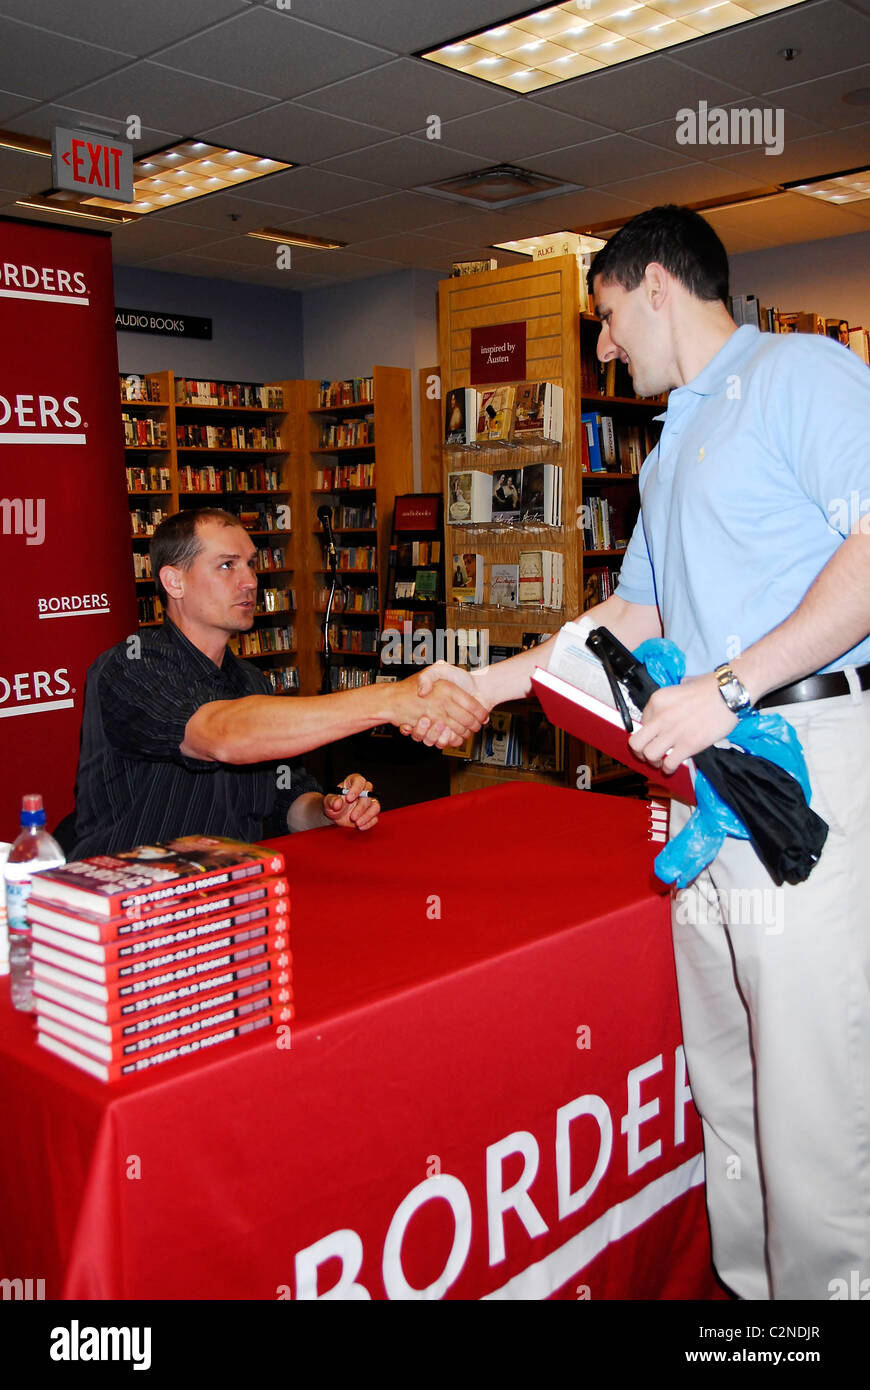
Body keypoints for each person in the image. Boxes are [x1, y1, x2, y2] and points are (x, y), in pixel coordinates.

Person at [408, 205, 870, 1302]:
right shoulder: (666, 451)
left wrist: (727, 683)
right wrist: (483, 681)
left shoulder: (804, 374)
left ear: (658, 282)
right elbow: (623, 613)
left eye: (607, 317)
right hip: (708, 780)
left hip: (808, 752)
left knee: (812, 1092)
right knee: (730, 1084)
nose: (604, 347)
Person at [71, 508, 486, 857]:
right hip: (131, 912)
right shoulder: (130, 666)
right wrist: (391, 699)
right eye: (227, 565)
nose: (250, 580)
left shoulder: (250, 682)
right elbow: (218, 735)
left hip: (232, 903)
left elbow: (284, 799)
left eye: (251, 563)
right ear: (173, 581)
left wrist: (328, 810)